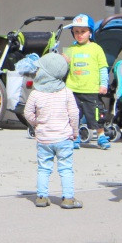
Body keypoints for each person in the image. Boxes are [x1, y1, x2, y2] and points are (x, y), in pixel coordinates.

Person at [24, 53, 80, 209]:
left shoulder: (35, 94)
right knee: (66, 168)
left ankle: (41, 197)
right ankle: (68, 198)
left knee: (43, 168)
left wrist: (36, 123)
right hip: (64, 137)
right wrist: (74, 131)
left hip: (44, 139)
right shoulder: (67, 92)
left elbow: (28, 113)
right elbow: (74, 114)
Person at [63, 14, 110, 150]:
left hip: (91, 90)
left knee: (96, 115)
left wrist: (103, 84)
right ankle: (74, 136)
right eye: (76, 32)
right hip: (73, 89)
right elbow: (64, 69)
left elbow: (103, 68)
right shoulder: (70, 49)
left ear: (90, 32)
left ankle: (101, 136)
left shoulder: (96, 49)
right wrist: (63, 61)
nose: (79, 35)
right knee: (73, 115)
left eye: (83, 31)